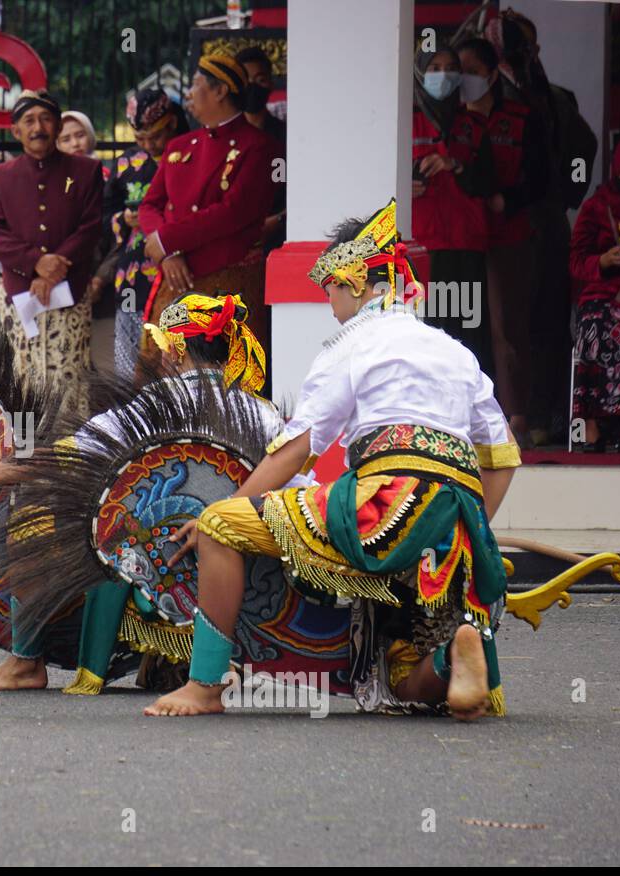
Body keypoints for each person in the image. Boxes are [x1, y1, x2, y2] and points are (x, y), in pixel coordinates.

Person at [146, 201, 521, 722]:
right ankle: (453, 655)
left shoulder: (353, 343)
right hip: (457, 530)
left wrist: (225, 507)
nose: (330, 305)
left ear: (356, 283)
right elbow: (502, 458)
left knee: (218, 527)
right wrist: (472, 527)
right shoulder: (455, 351)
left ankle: (204, 686)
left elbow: (297, 449)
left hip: (383, 509)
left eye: (330, 290)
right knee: (400, 679)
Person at [0, 291, 289, 695]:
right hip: (240, 567)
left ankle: (25, 662)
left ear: (176, 351)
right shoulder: (263, 412)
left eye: (161, 346)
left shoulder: (153, 405)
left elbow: (60, 458)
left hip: (152, 561)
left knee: (34, 515)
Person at [491, 11, 598, 444]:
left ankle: (541, 417)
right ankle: (512, 416)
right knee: (511, 325)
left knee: (546, 323)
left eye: (527, 44)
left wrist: (568, 194)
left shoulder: (554, 97)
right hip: (503, 227)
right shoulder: (490, 93)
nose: (524, 52)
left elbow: (584, 148)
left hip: (543, 223)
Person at [138, 54, 278, 344]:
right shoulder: (179, 146)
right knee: (164, 369)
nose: (189, 92)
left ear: (220, 90)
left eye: (196, 83)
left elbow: (232, 213)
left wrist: (167, 240)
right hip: (176, 281)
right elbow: (150, 205)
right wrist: (168, 254)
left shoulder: (258, 147)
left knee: (226, 369)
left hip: (228, 285)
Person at [0, 89, 104, 417]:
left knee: (69, 378)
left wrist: (54, 269)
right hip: (20, 293)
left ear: (58, 125)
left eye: (46, 119)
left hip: (70, 289)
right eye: (29, 121)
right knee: (22, 379)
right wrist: (36, 263)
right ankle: (25, 447)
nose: (38, 127)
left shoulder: (86, 171)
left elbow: (91, 227)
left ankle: (70, 445)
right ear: (16, 130)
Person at [456, 37, 547, 441]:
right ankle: (463, 416)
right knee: (459, 324)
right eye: (459, 71)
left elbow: (542, 178)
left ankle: (517, 416)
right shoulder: (449, 121)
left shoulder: (521, 118)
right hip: (457, 238)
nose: (464, 79)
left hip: (506, 236)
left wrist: (508, 200)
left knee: (506, 328)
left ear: (493, 75)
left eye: (473, 71)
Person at [412, 45, 494, 368]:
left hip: (467, 244)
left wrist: (456, 165)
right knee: (427, 336)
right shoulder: (405, 123)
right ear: (420, 72)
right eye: (434, 68)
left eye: (450, 67)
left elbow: (490, 181)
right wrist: (404, 185)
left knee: (467, 340)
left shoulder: (474, 125)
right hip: (424, 246)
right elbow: (380, 176)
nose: (443, 75)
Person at [104, 87, 188, 380]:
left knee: (174, 364)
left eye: (155, 136)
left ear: (172, 122)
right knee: (129, 371)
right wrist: (123, 219)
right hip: (132, 278)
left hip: (178, 276)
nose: (148, 145)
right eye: (140, 138)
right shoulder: (127, 163)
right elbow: (105, 212)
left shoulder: (189, 156)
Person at [569, 136, 620, 452]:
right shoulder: (596, 206)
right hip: (601, 294)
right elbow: (576, 262)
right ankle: (590, 427)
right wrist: (604, 261)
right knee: (595, 326)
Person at [235, 46, 286, 254]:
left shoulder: (284, 136)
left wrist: (279, 219)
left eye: (260, 80)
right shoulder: (226, 137)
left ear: (271, 83)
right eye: (246, 81)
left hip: (277, 238)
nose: (253, 88)